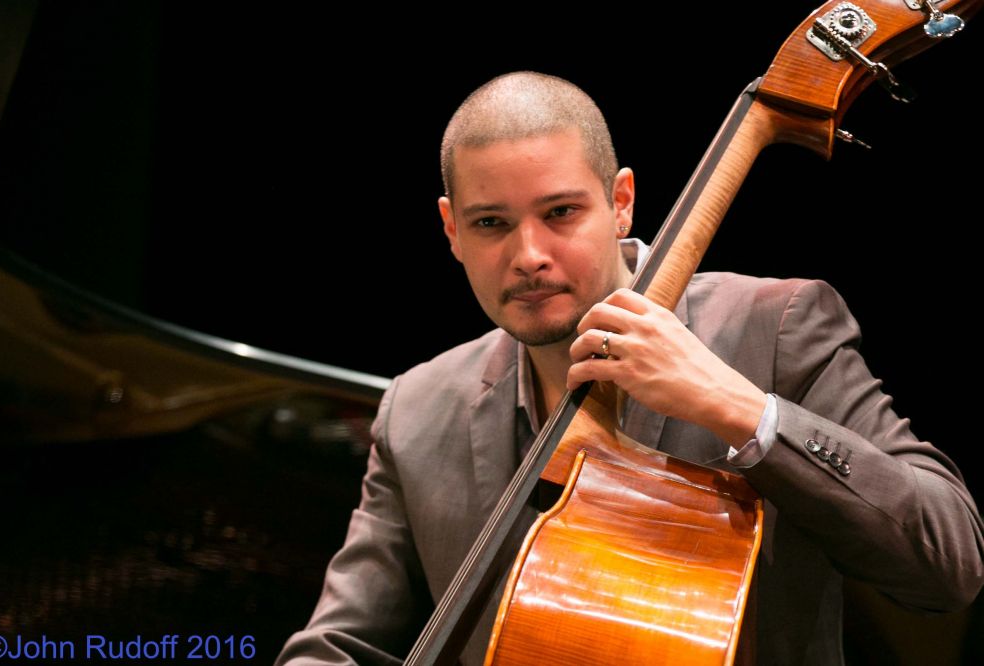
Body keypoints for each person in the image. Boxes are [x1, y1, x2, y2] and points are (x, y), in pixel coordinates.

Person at [276, 71, 984, 665]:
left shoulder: (776, 325)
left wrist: (740, 409)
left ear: (620, 202)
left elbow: (947, 563)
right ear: (451, 230)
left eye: (560, 212)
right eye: (491, 223)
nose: (528, 254)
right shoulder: (419, 406)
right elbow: (338, 643)